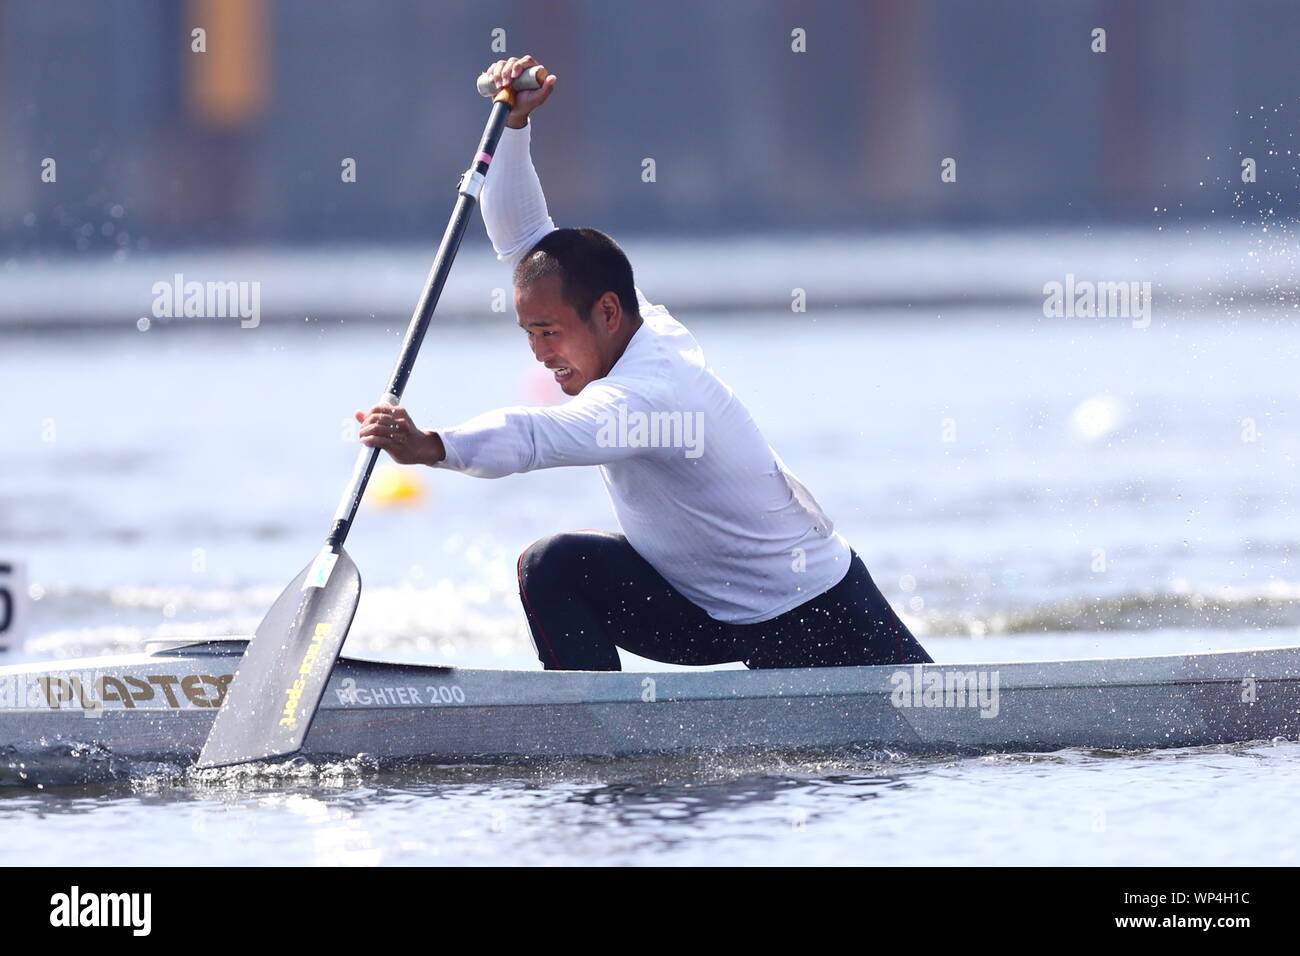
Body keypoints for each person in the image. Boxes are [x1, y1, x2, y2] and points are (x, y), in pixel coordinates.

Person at [356, 55, 932, 672]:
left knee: (944, 728)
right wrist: (515, 129)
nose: (541, 354)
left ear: (607, 313)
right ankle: (589, 729)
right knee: (550, 568)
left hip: (812, 612)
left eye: (550, 332)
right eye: (529, 333)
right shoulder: (627, 317)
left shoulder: (651, 393)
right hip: (700, 610)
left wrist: (433, 445)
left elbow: (535, 436)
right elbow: (526, 240)